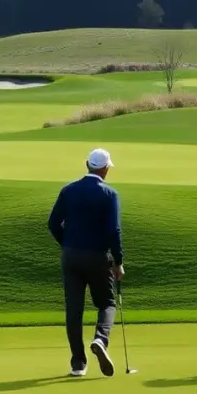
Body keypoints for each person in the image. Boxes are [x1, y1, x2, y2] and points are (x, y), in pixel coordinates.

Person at [47, 147, 124, 378]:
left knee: (74, 310)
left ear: (87, 165)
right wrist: (118, 261)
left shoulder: (68, 190)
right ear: (105, 169)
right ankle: (101, 339)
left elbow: (53, 223)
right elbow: (114, 230)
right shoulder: (109, 194)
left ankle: (78, 364)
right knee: (107, 303)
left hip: (71, 256)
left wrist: (67, 243)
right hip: (98, 256)